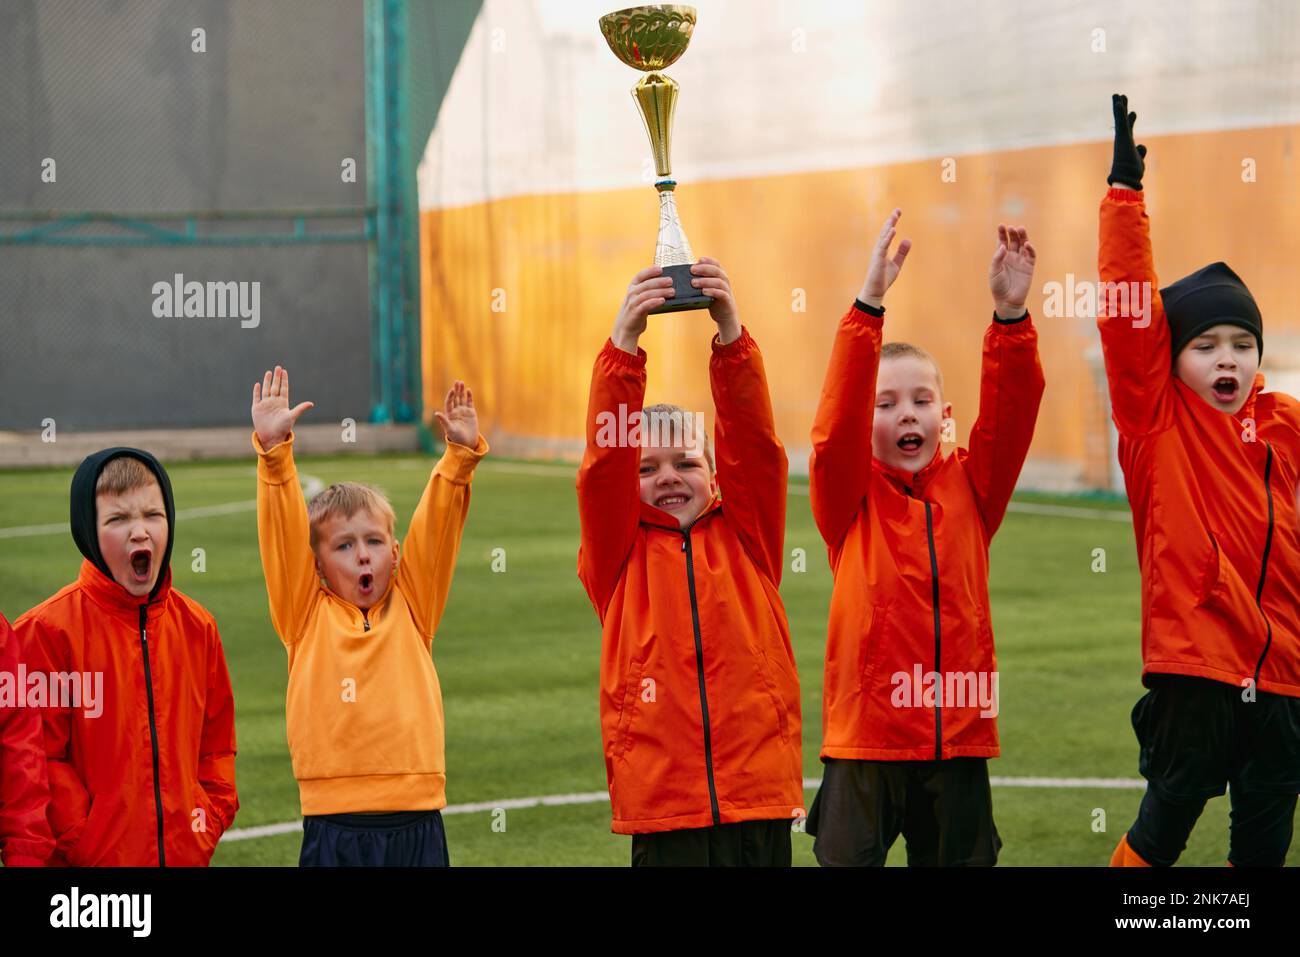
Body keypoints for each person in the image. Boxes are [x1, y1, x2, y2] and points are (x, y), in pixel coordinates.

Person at [805, 210, 1044, 866]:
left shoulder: (973, 486)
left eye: (919, 401)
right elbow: (831, 431)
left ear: (944, 416)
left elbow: (1013, 412)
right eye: (884, 404)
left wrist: (1011, 317)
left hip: (958, 733)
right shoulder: (847, 500)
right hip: (866, 738)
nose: (904, 413)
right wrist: (868, 305)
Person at [1099, 93, 1300, 867]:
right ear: (1172, 358)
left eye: (1241, 343)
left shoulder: (1282, 422)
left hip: (1282, 670)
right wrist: (1124, 198)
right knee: (1168, 819)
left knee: (1266, 835)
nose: (1226, 358)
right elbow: (1125, 314)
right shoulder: (1157, 422)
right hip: (1196, 665)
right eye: (1205, 343)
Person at [576, 259, 803, 866]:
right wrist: (624, 345)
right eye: (647, 468)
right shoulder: (616, 554)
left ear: (714, 474)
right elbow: (603, 466)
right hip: (663, 801)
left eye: (686, 462)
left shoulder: (749, 535)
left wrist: (730, 331)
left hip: (758, 796)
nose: (668, 477)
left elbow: (754, 441)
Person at [251, 366, 487, 866]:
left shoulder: (413, 602)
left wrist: (459, 458)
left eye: (375, 542)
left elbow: (438, 524)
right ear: (316, 564)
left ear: (396, 552)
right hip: (333, 823)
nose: (364, 556)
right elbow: (281, 535)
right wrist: (275, 456)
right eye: (344, 545)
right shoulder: (303, 613)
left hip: (417, 818)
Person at [17, 448, 238, 866]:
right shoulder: (45, 631)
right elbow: (38, 761)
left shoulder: (198, 627)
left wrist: (204, 823)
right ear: (87, 529)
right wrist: (86, 837)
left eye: (153, 515)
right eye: (117, 520)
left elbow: (217, 748)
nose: (140, 532)